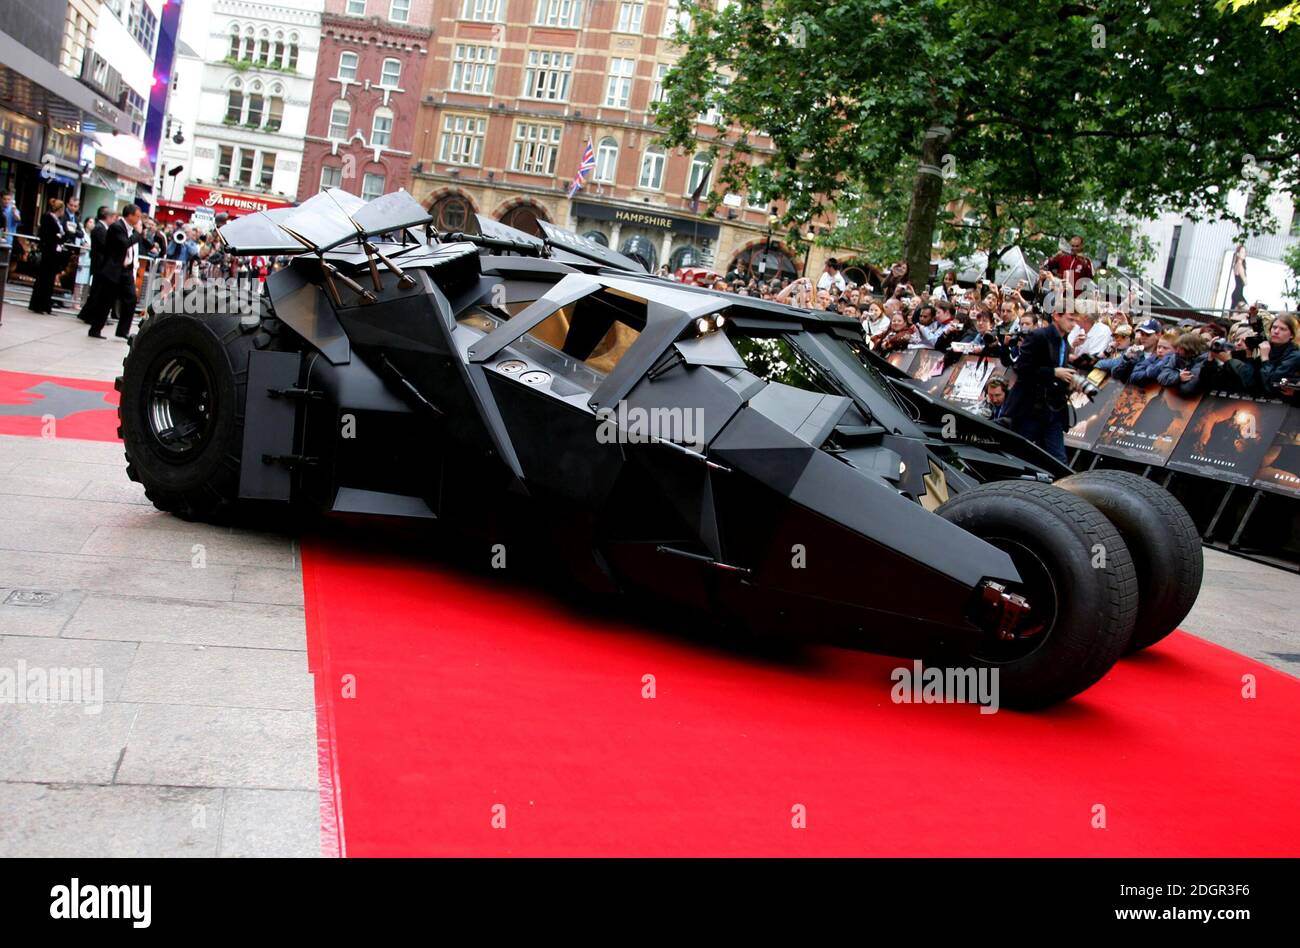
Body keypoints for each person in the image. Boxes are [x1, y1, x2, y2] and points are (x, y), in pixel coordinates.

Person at [1003, 302, 1078, 462]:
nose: (1073, 324)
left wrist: (1069, 381)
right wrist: (1053, 372)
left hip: (1053, 409)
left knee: (1058, 459)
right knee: (1020, 456)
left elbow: (1058, 370)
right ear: (1056, 315)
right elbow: (1022, 368)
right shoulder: (1038, 336)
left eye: (1075, 320)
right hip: (1031, 409)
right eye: (1070, 319)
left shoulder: (1064, 341)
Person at [88, 204, 143, 340]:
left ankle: (122, 330)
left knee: (131, 298)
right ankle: (95, 329)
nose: (138, 219)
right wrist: (137, 233)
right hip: (113, 270)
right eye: (137, 216)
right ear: (129, 215)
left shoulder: (130, 229)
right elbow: (125, 243)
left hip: (126, 270)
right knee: (106, 301)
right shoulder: (116, 227)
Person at [1233, 313, 1300, 398]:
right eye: (1274, 327)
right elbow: (1250, 384)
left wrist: (1265, 359)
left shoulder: (1294, 356)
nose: (1276, 331)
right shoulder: (1268, 348)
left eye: (1283, 329)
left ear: (1291, 335)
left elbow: (1272, 386)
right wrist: (1249, 355)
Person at [28, 198, 66, 314]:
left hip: (54, 253)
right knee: (43, 278)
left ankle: (45, 304)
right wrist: (57, 237)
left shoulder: (57, 220)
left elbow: (62, 235)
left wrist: (60, 237)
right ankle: (38, 304)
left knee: (49, 280)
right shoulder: (48, 218)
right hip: (48, 252)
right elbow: (47, 235)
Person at [1230, 244, 1247, 310]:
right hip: (1238, 294)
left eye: (1245, 252)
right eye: (1242, 252)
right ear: (1238, 254)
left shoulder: (1236, 264)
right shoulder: (1240, 266)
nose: (1244, 254)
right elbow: (1245, 282)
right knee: (1250, 312)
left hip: (1238, 293)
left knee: (1233, 314)